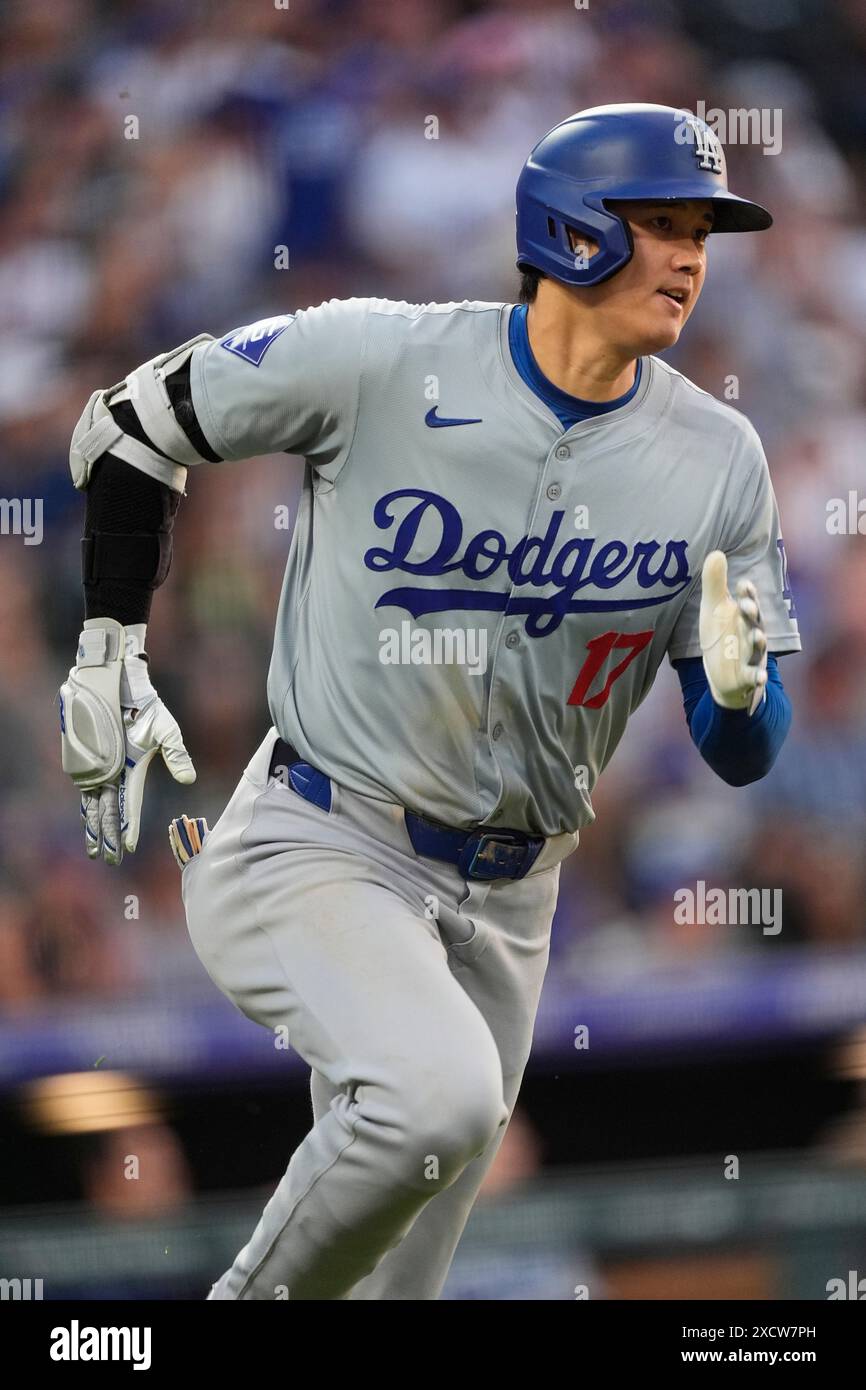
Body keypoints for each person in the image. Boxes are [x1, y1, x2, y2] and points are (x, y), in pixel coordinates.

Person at [58, 104, 801, 1300]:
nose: (686, 258)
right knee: (432, 1100)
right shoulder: (381, 356)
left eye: (700, 233)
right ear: (568, 233)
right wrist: (110, 642)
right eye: (658, 223)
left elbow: (744, 753)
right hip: (323, 837)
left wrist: (739, 689)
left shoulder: (719, 458)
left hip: (515, 899)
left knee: (399, 1284)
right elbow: (133, 422)